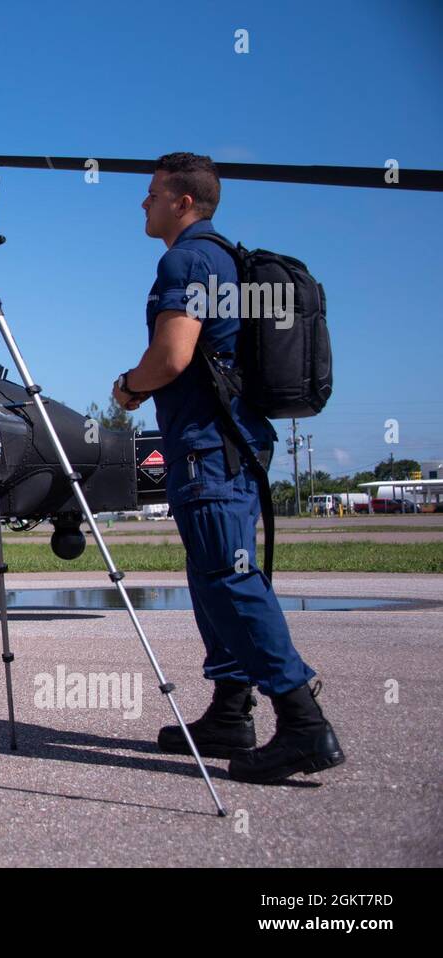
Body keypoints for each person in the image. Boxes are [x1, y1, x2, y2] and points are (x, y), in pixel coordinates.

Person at [112, 153, 344, 783]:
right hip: (228, 443)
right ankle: (230, 710)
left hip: (208, 446)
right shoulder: (227, 259)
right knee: (214, 575)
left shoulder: (185, 259)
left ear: (182, 201)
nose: (144, 203)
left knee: (228, 578)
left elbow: (172, 354)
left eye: (153, 193)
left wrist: (128, 390)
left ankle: (301, 722)